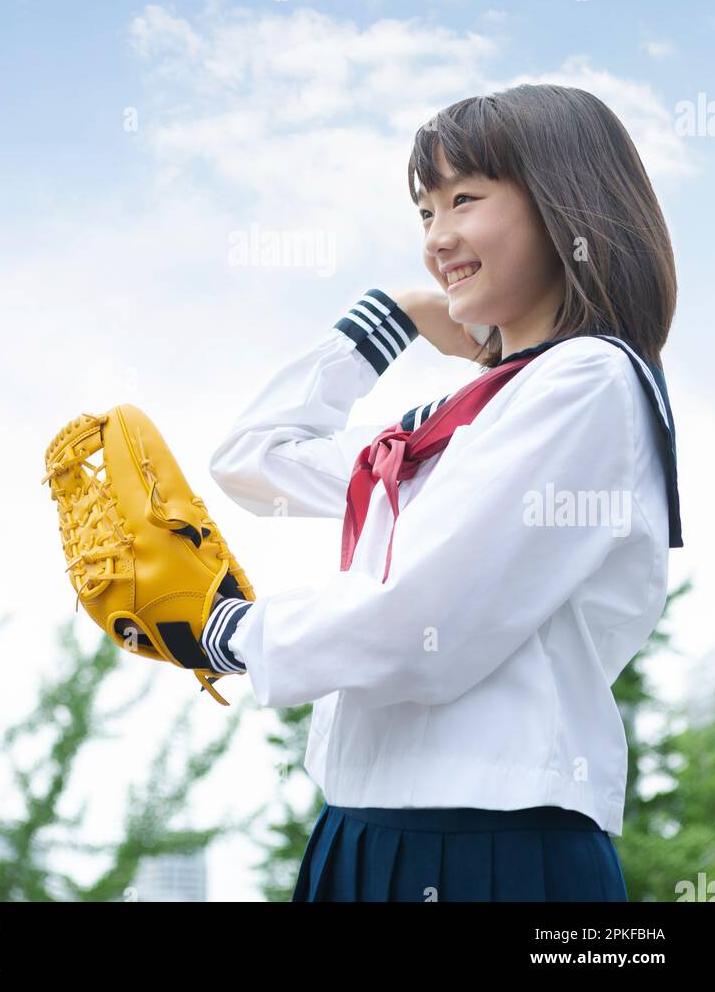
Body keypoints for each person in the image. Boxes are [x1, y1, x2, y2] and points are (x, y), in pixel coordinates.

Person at [200, 83, 683, 902]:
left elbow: (421, 624)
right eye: (424, 213)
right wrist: (391, 314)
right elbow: (254, 457)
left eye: (464, 198)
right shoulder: (460, 423)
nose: (439, 237)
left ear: (566, 202)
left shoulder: (588, 381)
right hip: (354, 832)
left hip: (492, 848)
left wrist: (227, 634)